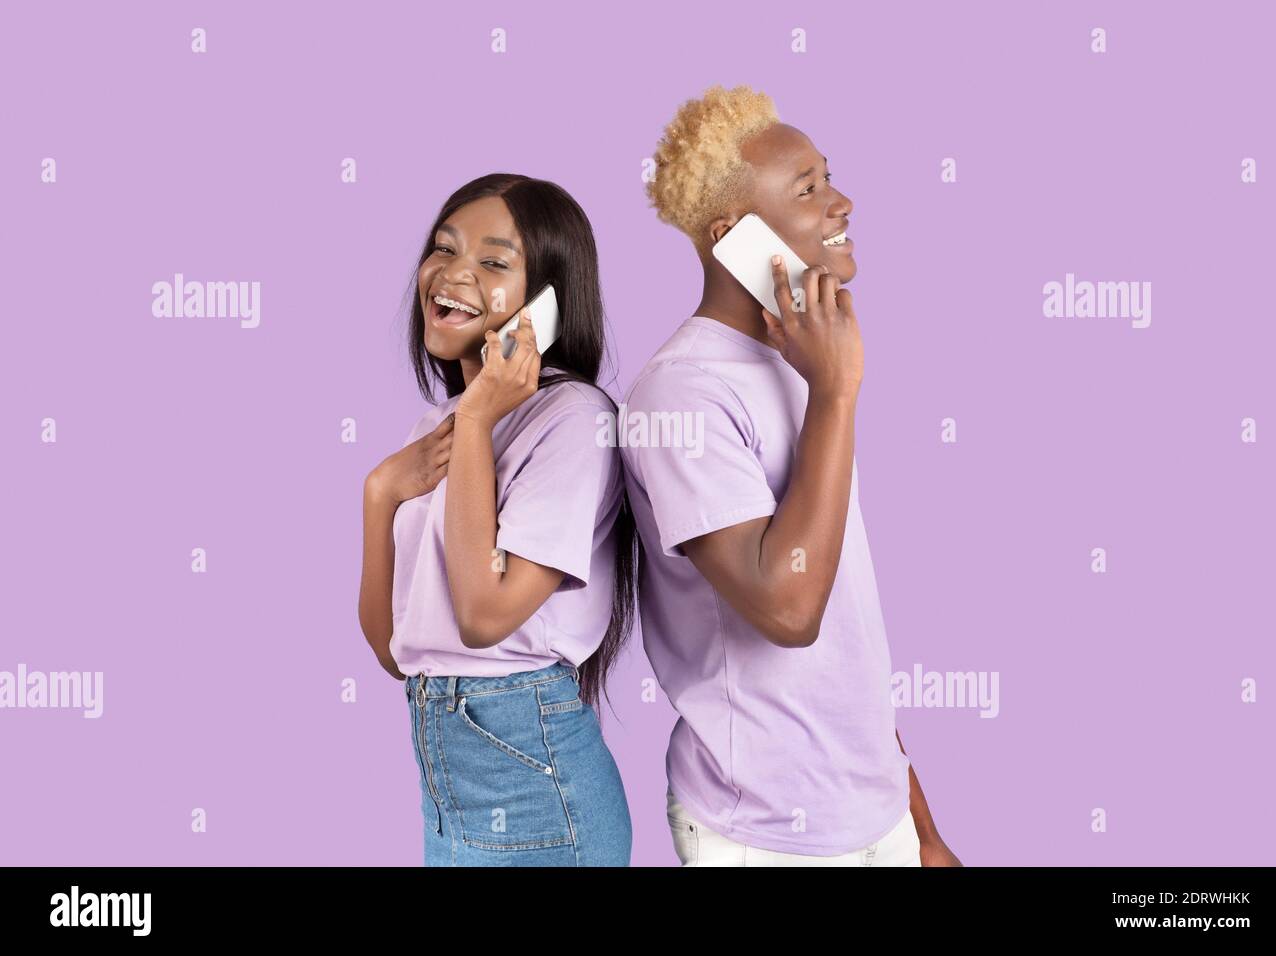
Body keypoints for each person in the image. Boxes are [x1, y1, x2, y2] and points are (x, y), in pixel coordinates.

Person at [622, 86, 961, 866]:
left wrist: (922, 827)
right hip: (769, 835)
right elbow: (788, 609)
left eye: (828, 177)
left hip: (875, 815)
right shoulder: (682, 394)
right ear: (732, 236)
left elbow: (844, 639)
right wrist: (838, 394)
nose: (842, 201)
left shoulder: (800, 367)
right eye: (808, 189)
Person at [359, 174, 636, 866]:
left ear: (547, 299)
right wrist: (378, 493)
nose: (451, 274)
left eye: (492, 261)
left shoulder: (575, 420)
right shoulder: (443, 428)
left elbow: (484, 617)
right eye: (443, 250)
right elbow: (395, 652)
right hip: (448, 787)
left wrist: (481, 416)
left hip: (541, 792)